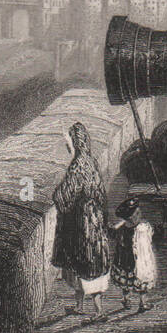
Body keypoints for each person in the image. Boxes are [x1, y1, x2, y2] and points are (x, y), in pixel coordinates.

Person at [51, 122, 111, 316]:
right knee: (88, 263)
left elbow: (64, 195)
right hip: (94, 220)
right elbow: (100, 193)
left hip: (82, 223)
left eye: (68, 141)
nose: (66, 145)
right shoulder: (91, 162)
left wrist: (56, 195)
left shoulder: (77, 166)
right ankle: (80, 307)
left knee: (84, 263)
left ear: (75, 142)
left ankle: (98, 311)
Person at [110, 197, 157, 311]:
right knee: (138, 281)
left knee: (127, 281)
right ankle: (138, 302)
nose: (139, 215)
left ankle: (130, 301)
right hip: (134, 261)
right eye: (137, 213)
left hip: (126, 260)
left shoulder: (125, 228)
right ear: (131, 217)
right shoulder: (141, 229)